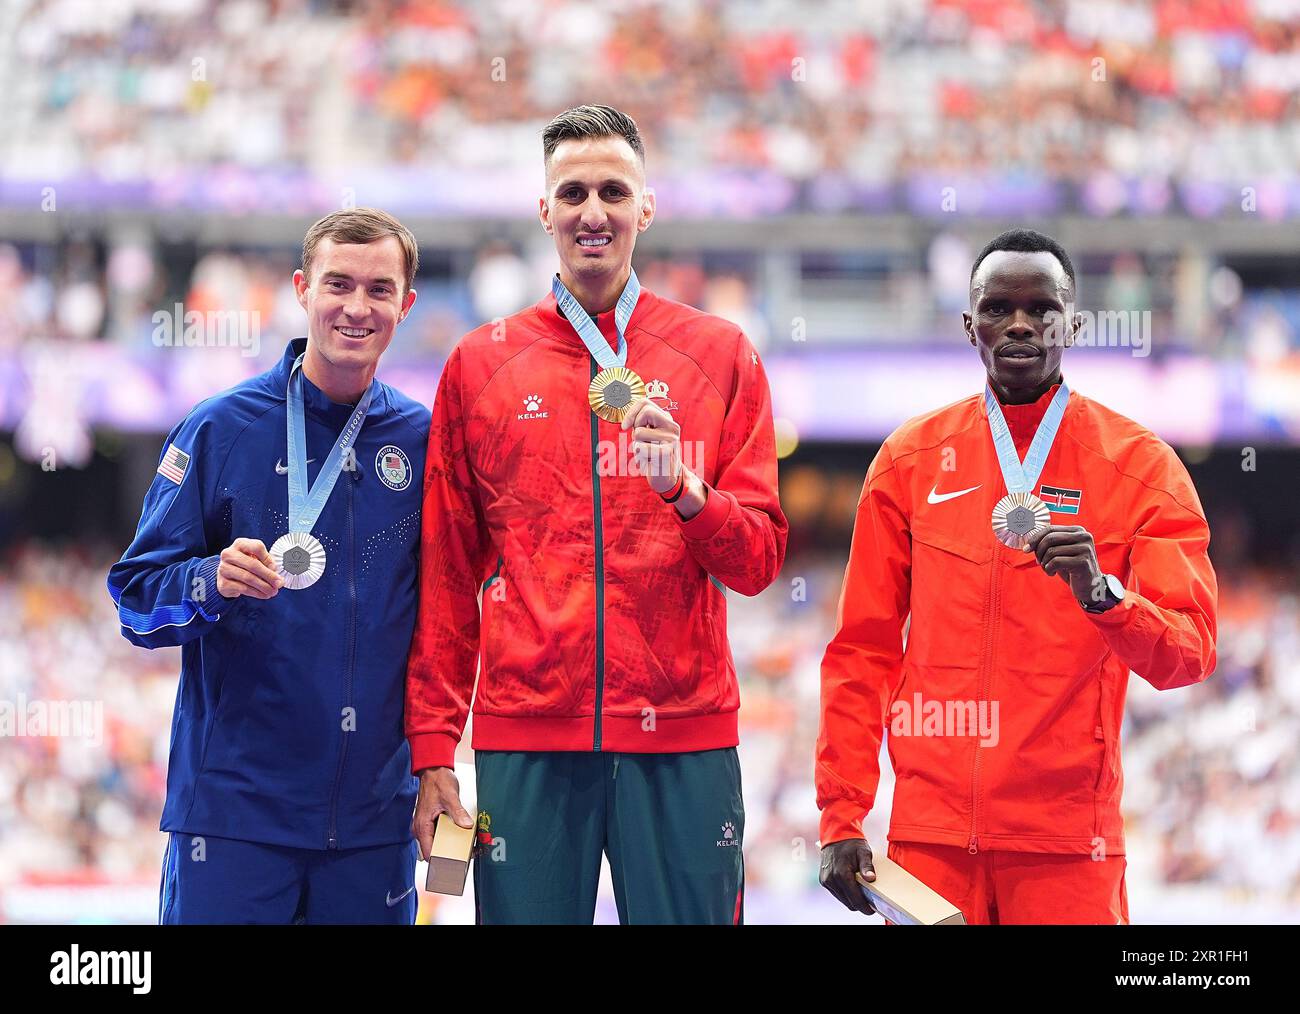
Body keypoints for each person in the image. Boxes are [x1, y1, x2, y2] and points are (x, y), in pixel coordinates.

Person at [405, 105, 788, 924]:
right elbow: (444, 576)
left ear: (646, 207)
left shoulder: (720, 355)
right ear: (542, 210)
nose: (592, 212)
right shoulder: (480, 364)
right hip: (526, 738)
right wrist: (435, 748)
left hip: (683, 738)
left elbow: (757, 562)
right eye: (571, 192)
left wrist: (689, 495)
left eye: (613, 190)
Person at [816, 228, 1218, 924]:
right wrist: (840, 815)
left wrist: (1106, 596)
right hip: (930, 843)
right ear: (969, 323)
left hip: (1067, 847)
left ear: (1075, 323)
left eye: (1043, 307)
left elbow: (1191, 652)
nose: (1021, 323)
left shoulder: (1142, 468)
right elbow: (862, 650)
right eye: (998, 307)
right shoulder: (909, 461)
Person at [108, 208, 429, 924]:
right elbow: (134, 598)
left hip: (372, 829)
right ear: (301, 289)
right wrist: (206, 580)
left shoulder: (423, 440)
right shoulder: (221, 428)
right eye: (337, 283)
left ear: (406, 305)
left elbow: (448, 620)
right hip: (233, 819)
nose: (356, 306)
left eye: (379, 290)